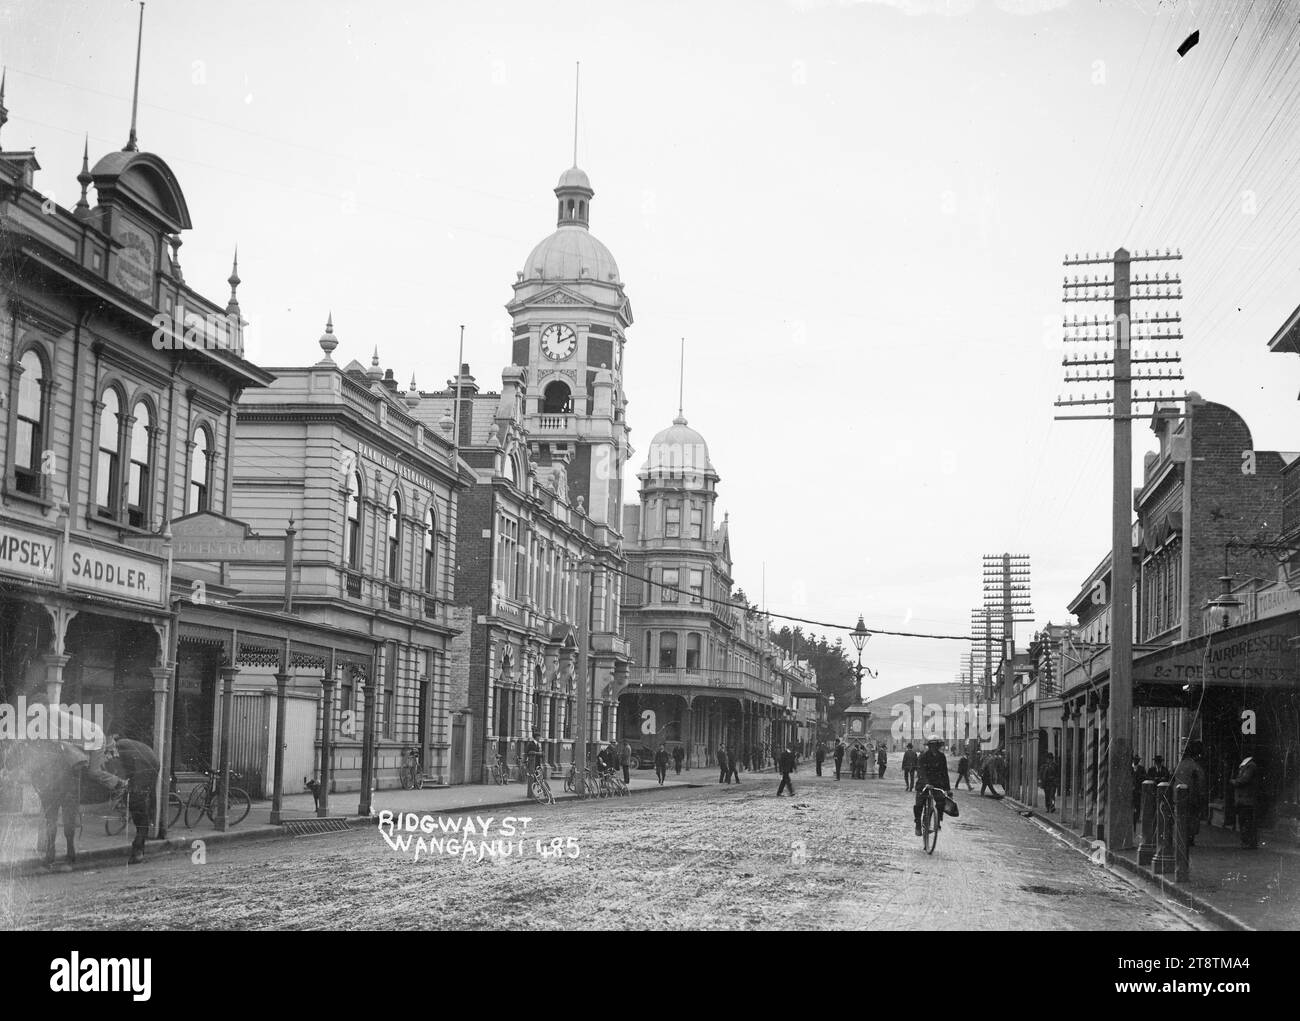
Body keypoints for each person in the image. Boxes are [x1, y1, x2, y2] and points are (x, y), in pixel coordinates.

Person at [105, 734, 160, 865]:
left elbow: (115, 769)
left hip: (143, 765)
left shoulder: (120, 747)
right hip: (145, 762)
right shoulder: (124, 745)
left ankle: (138, 848)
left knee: (138, 804)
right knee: (139, 801)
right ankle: (140, 846)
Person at [913, 738, 952, 836]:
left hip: (937, 784)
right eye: (932, 745)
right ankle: (918, 824)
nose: (934, 747)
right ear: (929, 746)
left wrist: (947, 788)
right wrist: (926, 783)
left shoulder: (942, 757)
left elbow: (944, 772)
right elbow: (921, 771)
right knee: (919, 804)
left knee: (941, 801)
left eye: (936, 745)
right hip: (924, 783)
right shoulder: (923, 756)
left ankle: (937, 822)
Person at [1171, 741, 1205, 847]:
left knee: (1181, 817)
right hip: (1191, 796)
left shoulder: (1179, 765)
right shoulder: (1195, 766)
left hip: (1177, 796)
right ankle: (1189, 839)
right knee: (1192, 818)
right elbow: (1201, 782)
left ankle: (1181, 837)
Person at [1229, 753, 1260, 849]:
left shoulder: (1250, 765)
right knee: (1244, 821)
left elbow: (1244, 779)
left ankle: (1248, 842)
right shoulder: (1246, 765)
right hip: (1243, 800)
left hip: (1247, 800)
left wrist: (1234, 781)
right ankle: (1247, 842)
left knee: (1246, 821)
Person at [1131, 754, 1145, 826]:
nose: (1137, 761)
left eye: (1138, 760)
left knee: (1138, 804)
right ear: (1133, 760)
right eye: (1135, 760)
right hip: (1130, 790)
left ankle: (1137, 817)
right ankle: (1131, 816)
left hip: (1138, 789)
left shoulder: (1141, 769)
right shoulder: (1129, 768)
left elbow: (1144, 778)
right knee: (1131, 803)